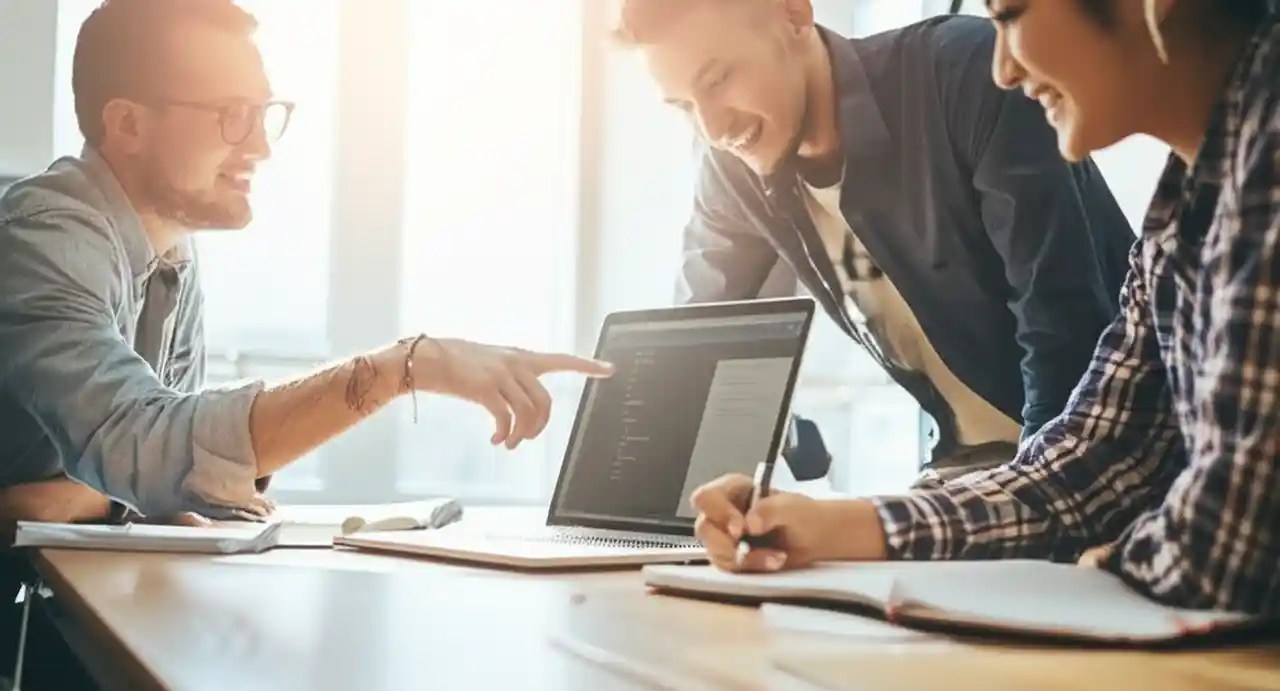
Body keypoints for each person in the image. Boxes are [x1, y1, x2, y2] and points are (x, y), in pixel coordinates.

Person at [691, 0, 1280, 615]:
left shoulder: (1270, 144)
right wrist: (832, 525)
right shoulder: (1180, 213)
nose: (1002, 68)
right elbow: (1087, 466)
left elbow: (1229, 550)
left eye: (1011, 14)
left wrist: (1104, 560)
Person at [0, 0, 613, 529]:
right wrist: (410, 364)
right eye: (230, 115)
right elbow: (153, 455)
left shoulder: (171, 251)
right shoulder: (48, 236)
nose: (261, 146)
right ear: (128, 124)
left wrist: (93, 497)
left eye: (265, 114)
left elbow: (164, 478)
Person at [613, 0, 1136, 483]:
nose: (713, 127)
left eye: (720, 77)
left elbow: (1064, 333)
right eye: (684, 106)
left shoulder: (965, 73)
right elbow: (693, 347)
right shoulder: (731, 167)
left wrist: (1029, 507)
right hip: (964, 472)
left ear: (793, 13)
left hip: (1101, 465)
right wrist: (630, 510)